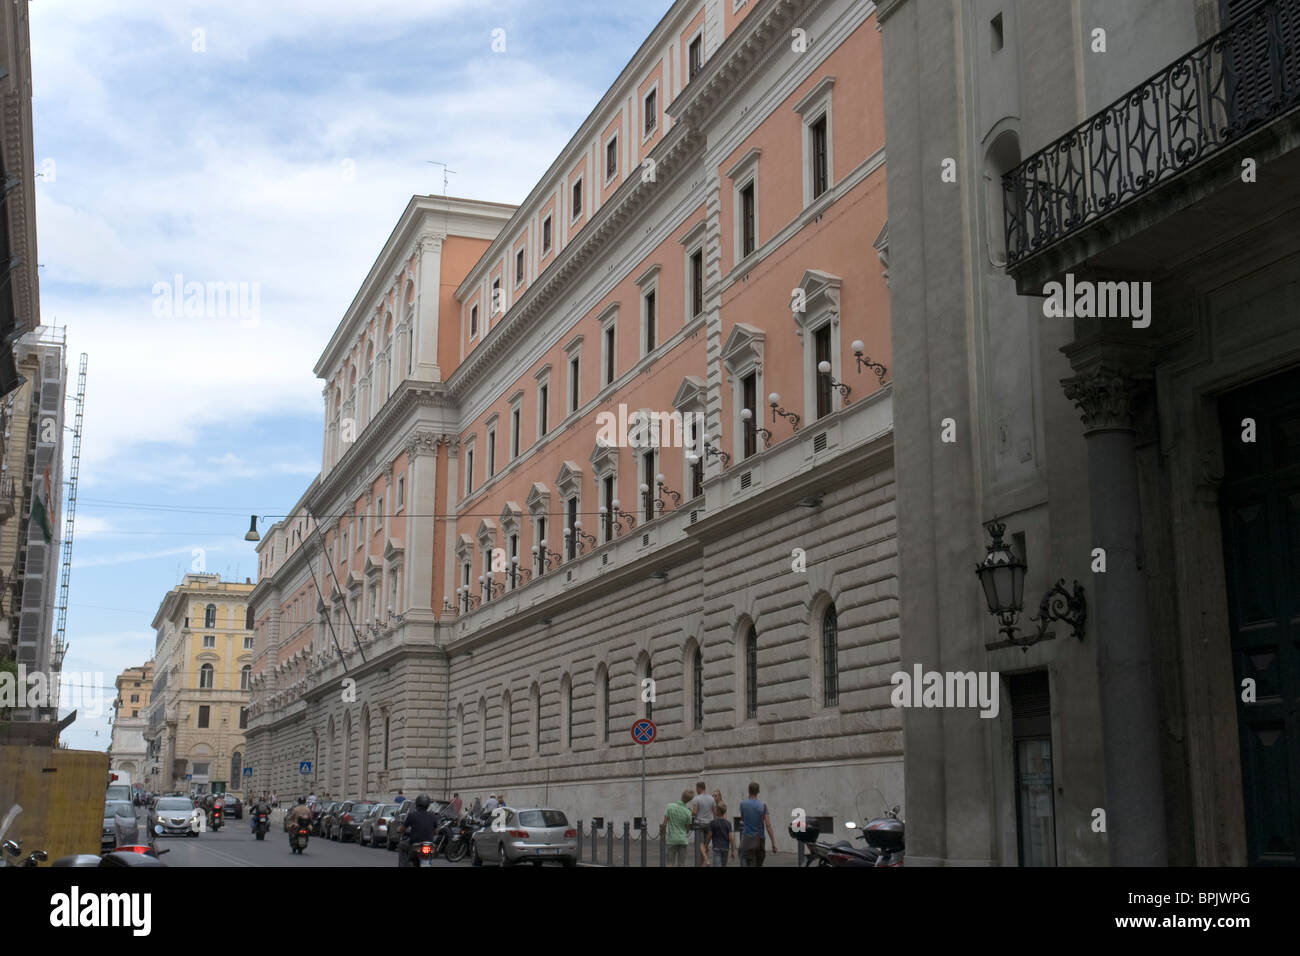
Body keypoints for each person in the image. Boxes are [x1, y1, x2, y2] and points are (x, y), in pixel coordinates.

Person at [738, 781, 778, 866]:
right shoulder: (763, 806)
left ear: (748, 790)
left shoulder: (743, 804)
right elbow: (768, 825)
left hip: (747, 839)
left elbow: (743, 819)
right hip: (759, 840)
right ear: (758, 791)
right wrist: (773, 843)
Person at [398, 794, 439, 866]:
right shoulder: (433, 816)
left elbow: (402, 829)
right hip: (429, 844)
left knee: (401, 846)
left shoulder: (412, 815)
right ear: (428, 805)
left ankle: (402, 865)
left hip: (415, 843)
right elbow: (436, 832)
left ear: (417, 804)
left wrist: (399, 830)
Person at [661, 790, 694, 867]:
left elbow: (664, 824)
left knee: (670, 863)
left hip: (672, 839)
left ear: (682, 795)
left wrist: (662, 835)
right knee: (681, 864)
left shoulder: (670, 806)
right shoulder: (688, 812)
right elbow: (688, 828)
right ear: (689, 800)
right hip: (683, 839)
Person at [688, 781, 715, 866]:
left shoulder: (696, 798)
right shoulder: (711, 798)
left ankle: (707, 860)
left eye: (696, 788)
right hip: (710, 823)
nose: (696, 790)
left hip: (699, 824)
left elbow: (695, 812)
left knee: (700, 844)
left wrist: (690, 811)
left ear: (699, 788)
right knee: (705, 846)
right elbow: (714, 811)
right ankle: (700, 864)